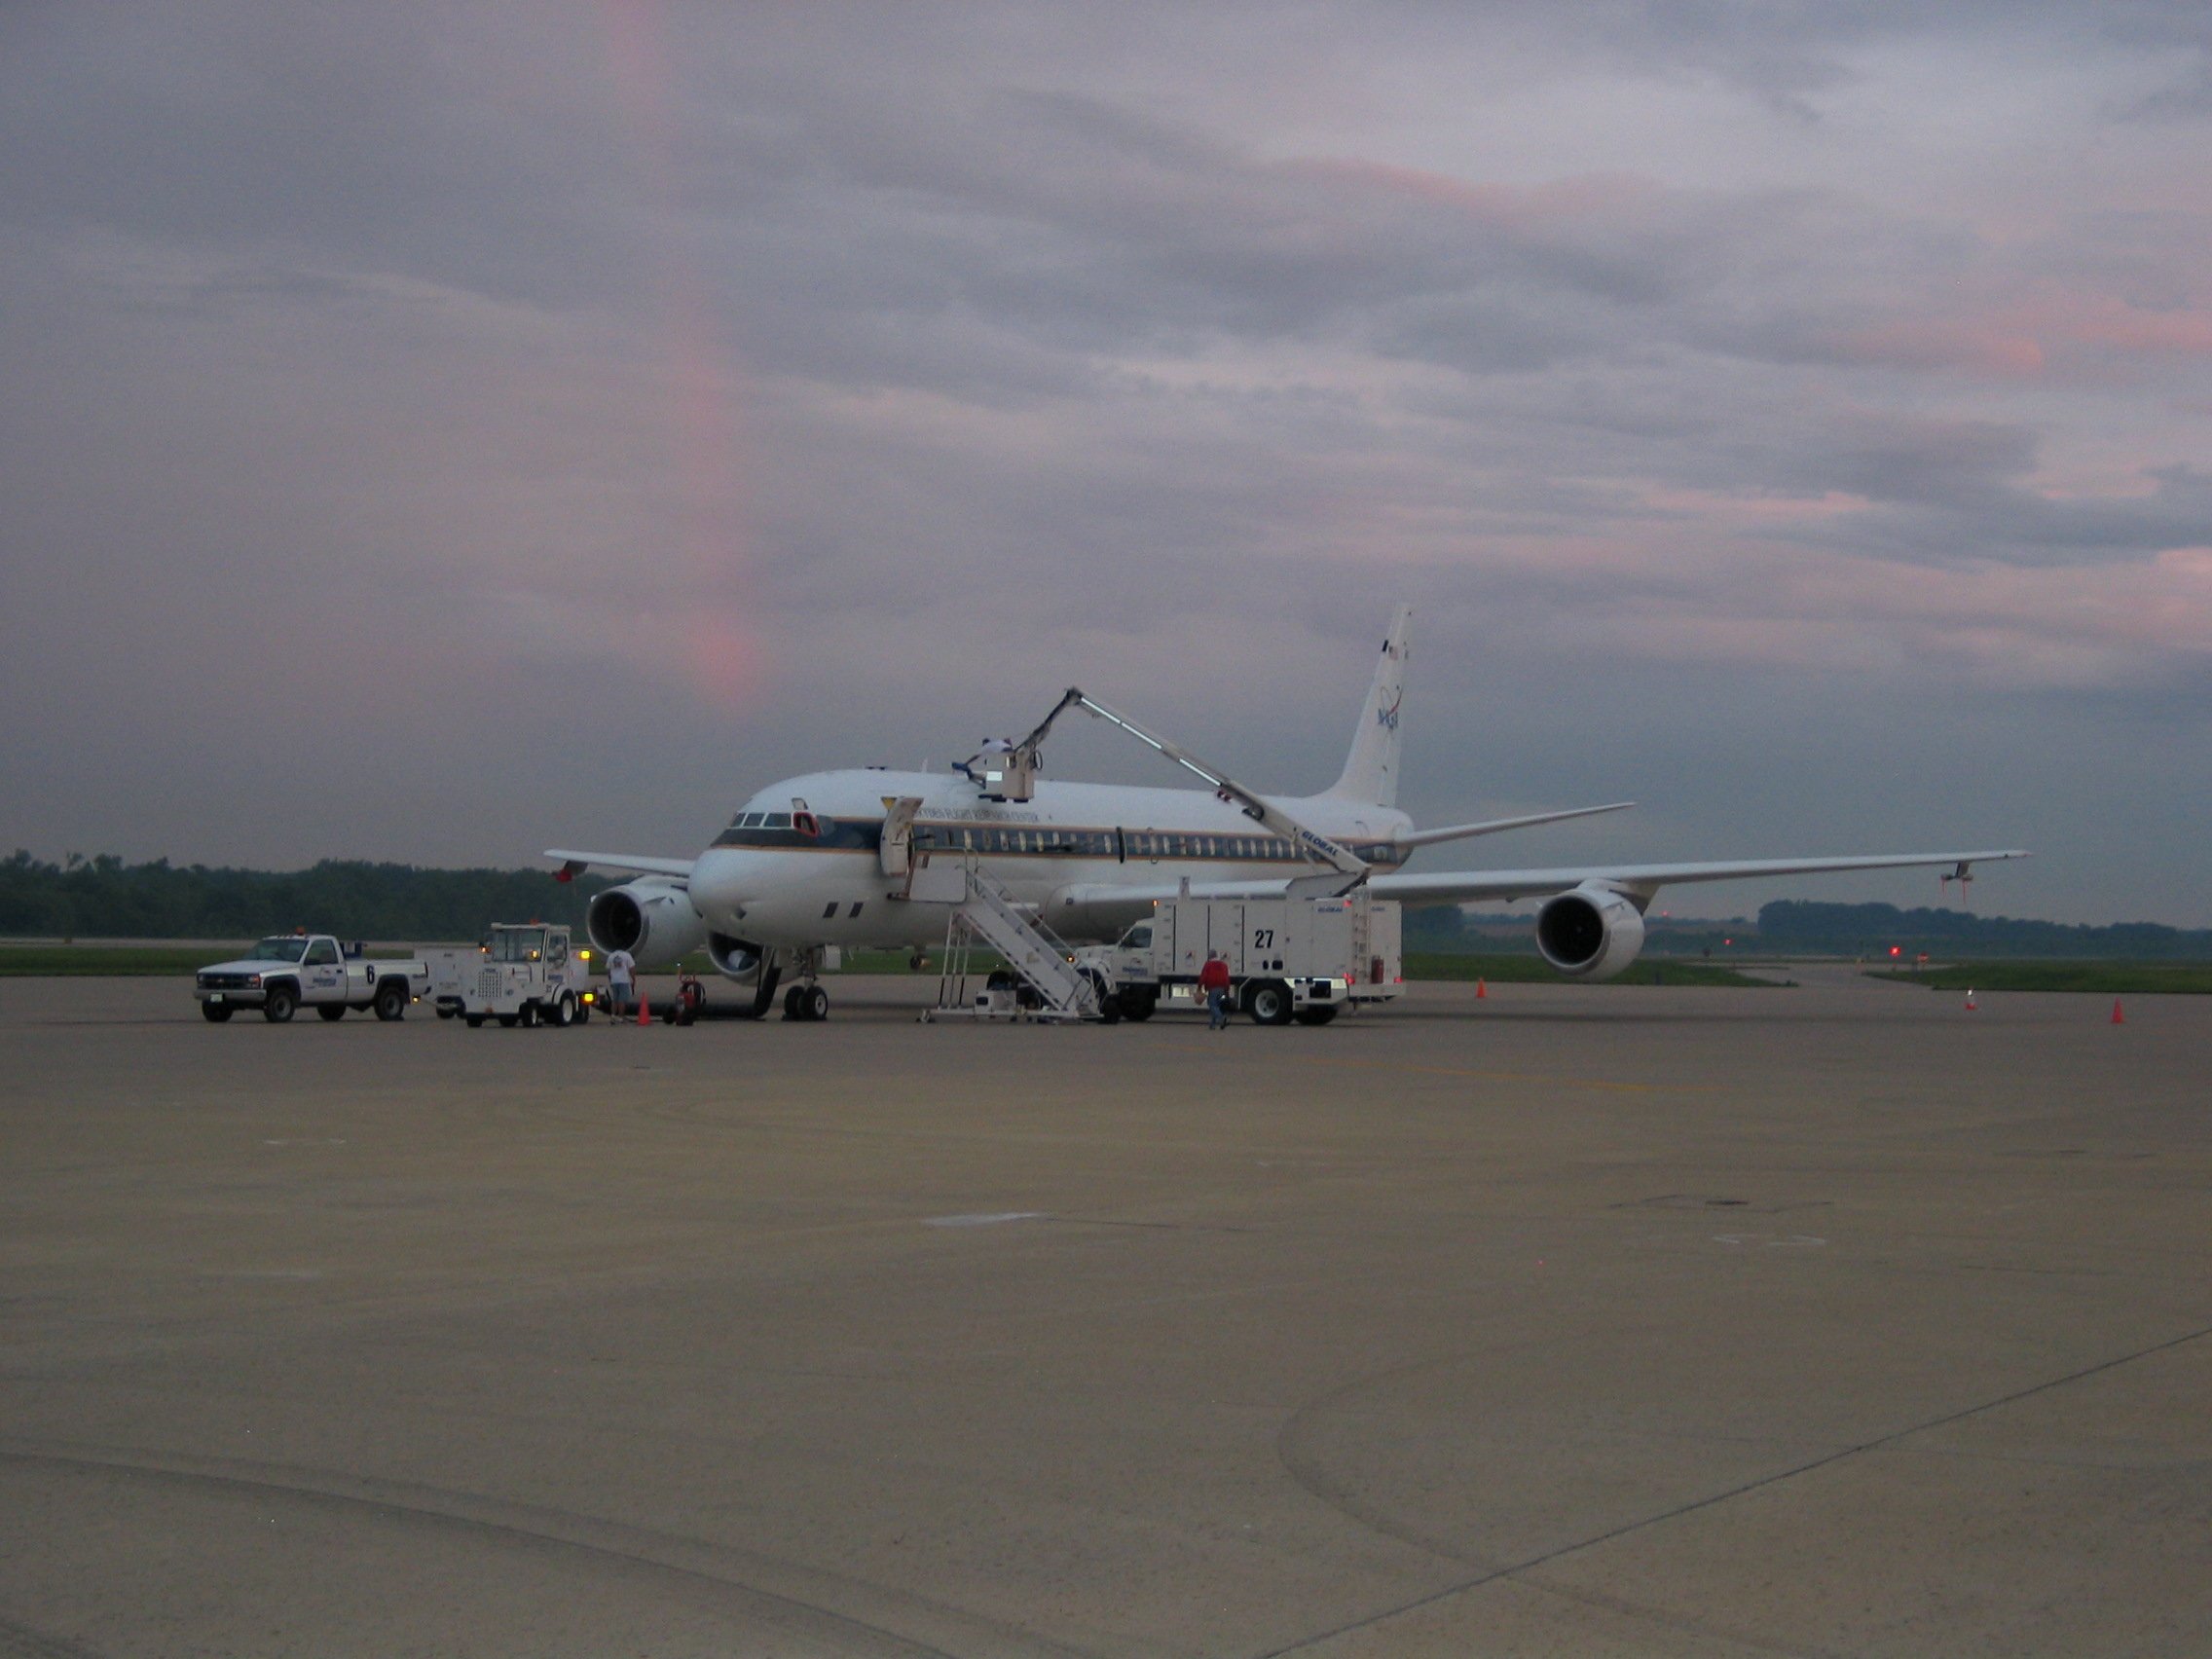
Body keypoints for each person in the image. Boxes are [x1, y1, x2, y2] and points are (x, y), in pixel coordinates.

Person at [1198, 951, 1233, 1030]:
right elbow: (1227, 977)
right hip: (1223, 988)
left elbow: (1204, 976)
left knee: (1212, 1005)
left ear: (1210, 956)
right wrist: (1227, 989)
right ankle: (1212, 1024)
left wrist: (1199, 986)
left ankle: (1221, 1018)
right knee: (1218, 1006)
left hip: (1213, 987)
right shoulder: (1224, 965)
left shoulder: (1208, 964)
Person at [605, 945, 636, 1019]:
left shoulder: (611, 956)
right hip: (624, 980)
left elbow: (608, 970)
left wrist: (610, 980)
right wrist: (633, 979)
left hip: (614, 980)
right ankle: (621, 1017)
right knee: (622, 1000)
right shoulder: (627, 955)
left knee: (615, 1000)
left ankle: (613, 1015)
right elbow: (632, 968)